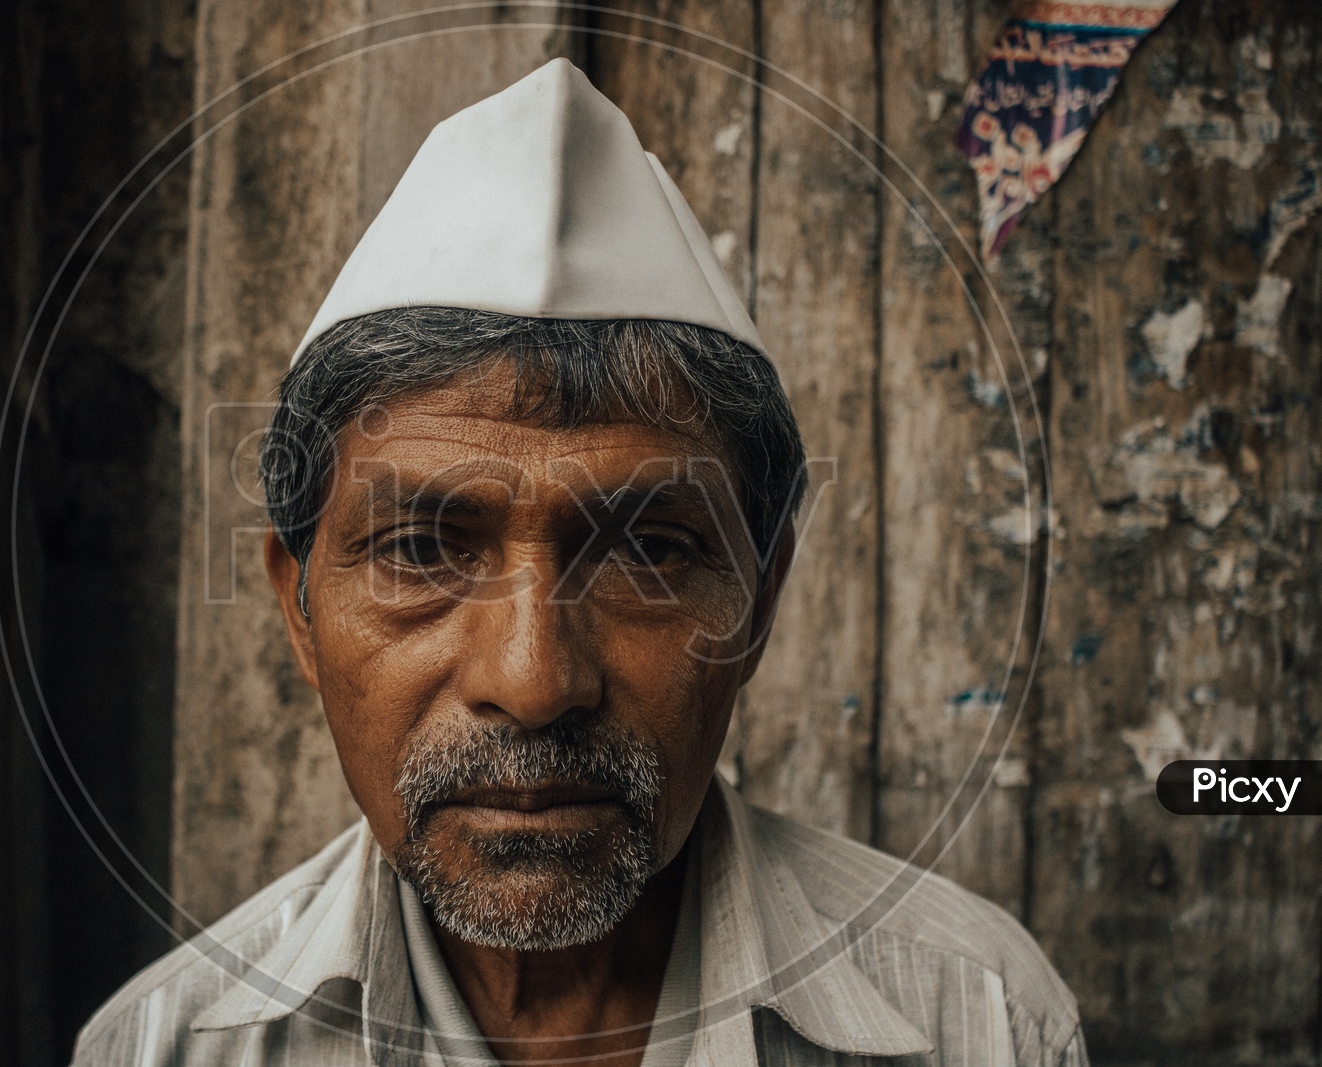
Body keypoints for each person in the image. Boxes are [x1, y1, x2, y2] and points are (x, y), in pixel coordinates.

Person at [72, 58, 1086, 1067]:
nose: (533, 680)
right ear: (299, 608)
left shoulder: (982, 1022)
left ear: (759, 599)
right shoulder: (166, 1046)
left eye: (647, 550)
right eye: (422, 550)